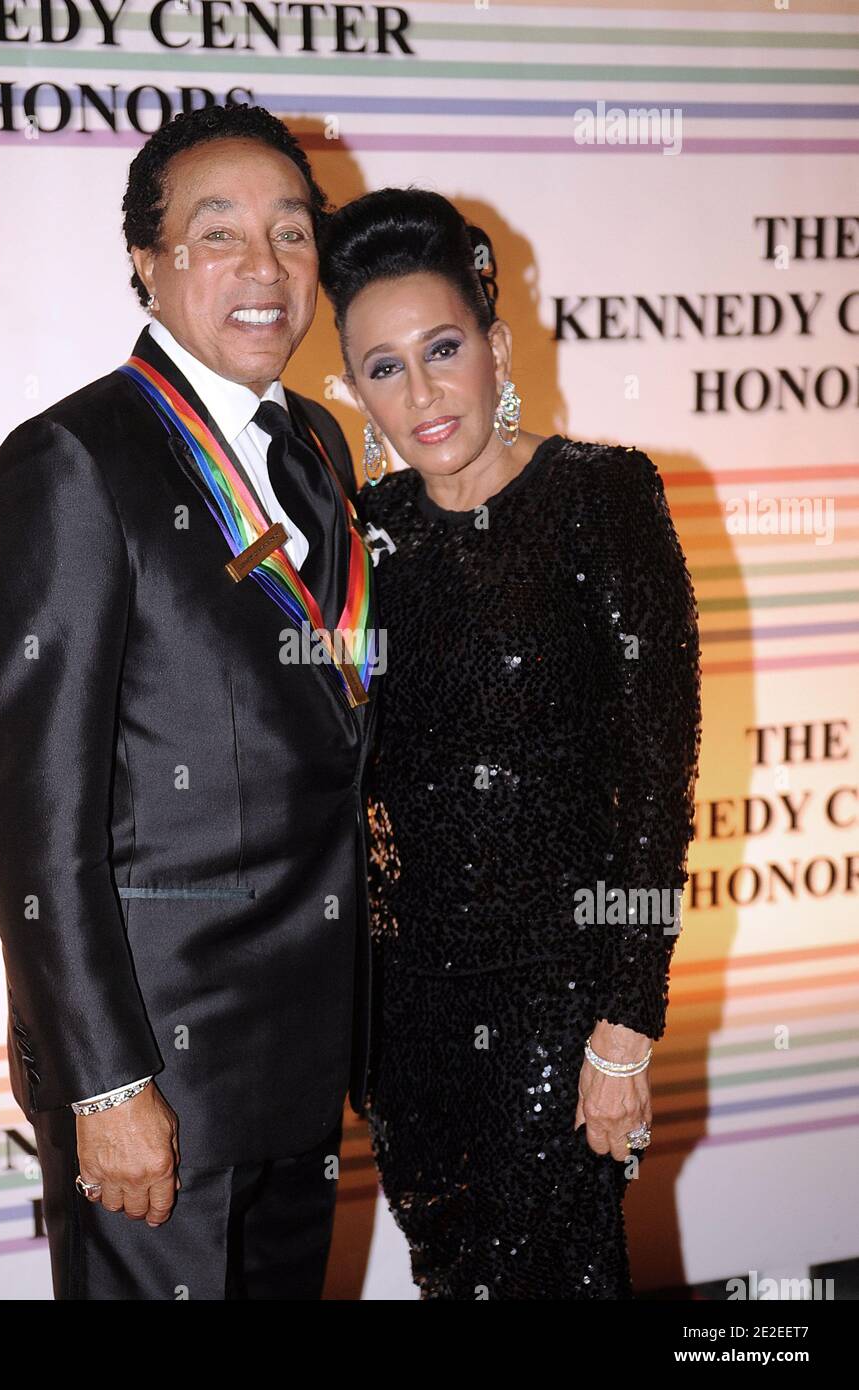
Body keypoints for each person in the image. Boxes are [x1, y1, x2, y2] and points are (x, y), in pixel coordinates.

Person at [0, 103, 381, 1301]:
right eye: (219, 232)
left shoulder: (319, 447)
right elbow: (29, 819)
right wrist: (104, 1083)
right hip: (159, 1073)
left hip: (302, 1058)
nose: (265, 268)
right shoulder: (73, 465)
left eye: (292, 234)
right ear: (146, 261)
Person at [317, 187, 702, 1299]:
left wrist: (625, 1026)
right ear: (353, 389)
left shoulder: (600, 497)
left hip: (561, 1005)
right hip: (410, 1029)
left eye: (442, 348)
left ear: (493, 343)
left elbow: (655, 779)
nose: (422, 391)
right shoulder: (366, 540)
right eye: (383, 366)